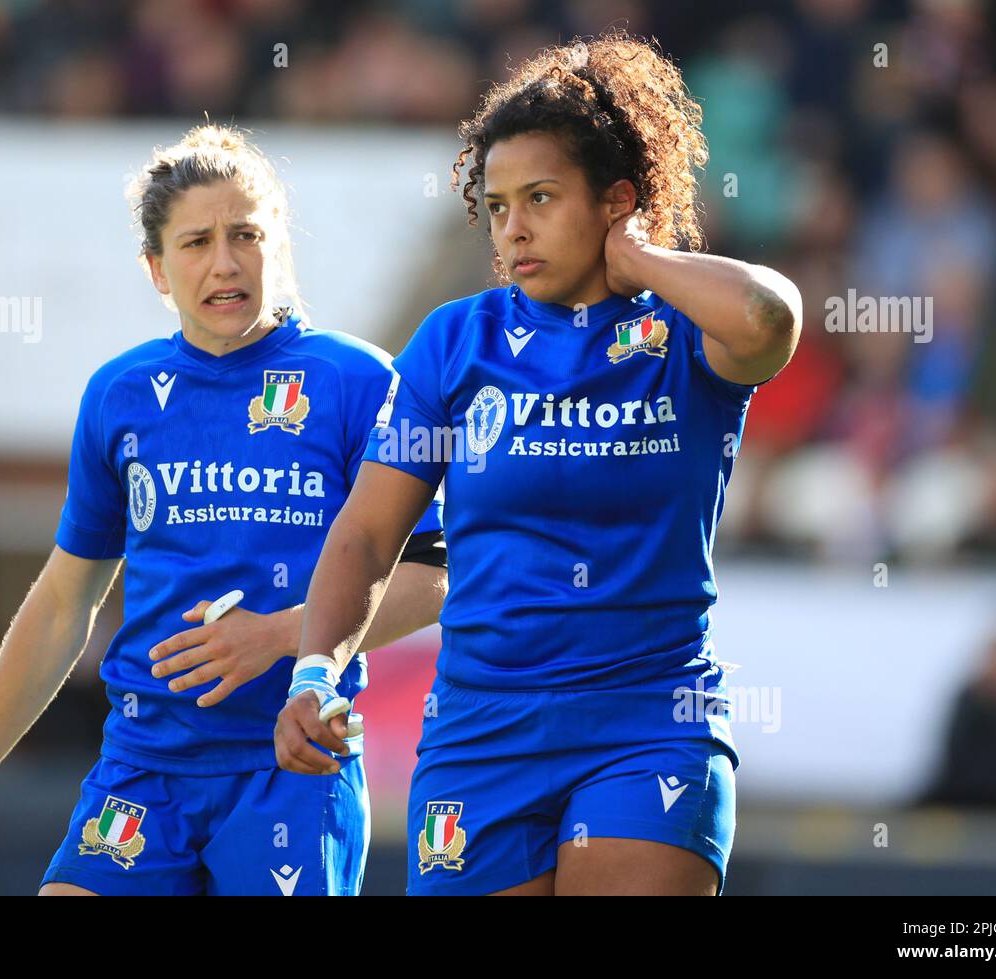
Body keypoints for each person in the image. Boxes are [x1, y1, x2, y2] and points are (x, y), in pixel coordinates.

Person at [275, 32, 801, 895]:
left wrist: (638, 260)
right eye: (496, 205)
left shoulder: (679, 336)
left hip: (647, 723)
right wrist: (313, 670)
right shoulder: (455, 342)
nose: (512, 227)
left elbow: (769, 317)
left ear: (616, 200)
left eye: (543, 198)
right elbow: (369, 536)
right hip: (481, 732)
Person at [0, 124, 447, 896]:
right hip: (143, 767)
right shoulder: (120, 396)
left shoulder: (358, 380)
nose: (225, 262)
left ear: (279, 245)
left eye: (246, 234)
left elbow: (431, 577)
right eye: (196, 242)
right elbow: (65, 600)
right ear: (157, 271)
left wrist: (276, 638)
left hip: (292, 764)